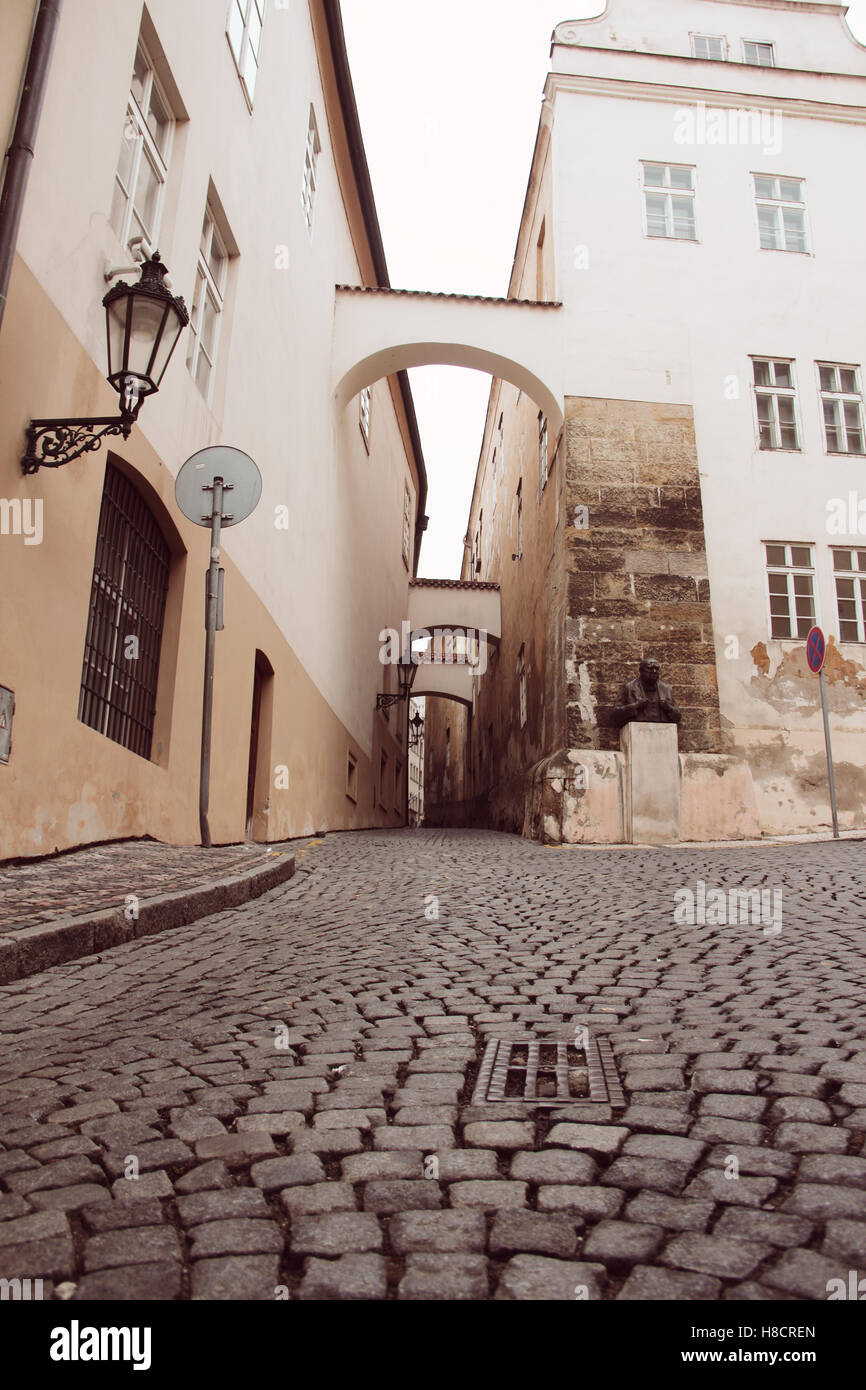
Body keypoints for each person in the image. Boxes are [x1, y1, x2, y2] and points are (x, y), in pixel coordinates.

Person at [612, 657, 682, 727]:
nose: (654, 671)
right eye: (650, 668)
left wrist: (669, 708)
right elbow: (615, 714)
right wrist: (636, 706)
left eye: (657, 669)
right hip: (637, 728)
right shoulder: (629, 687)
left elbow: (678, 717)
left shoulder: (665, 689)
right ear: (641, 671)